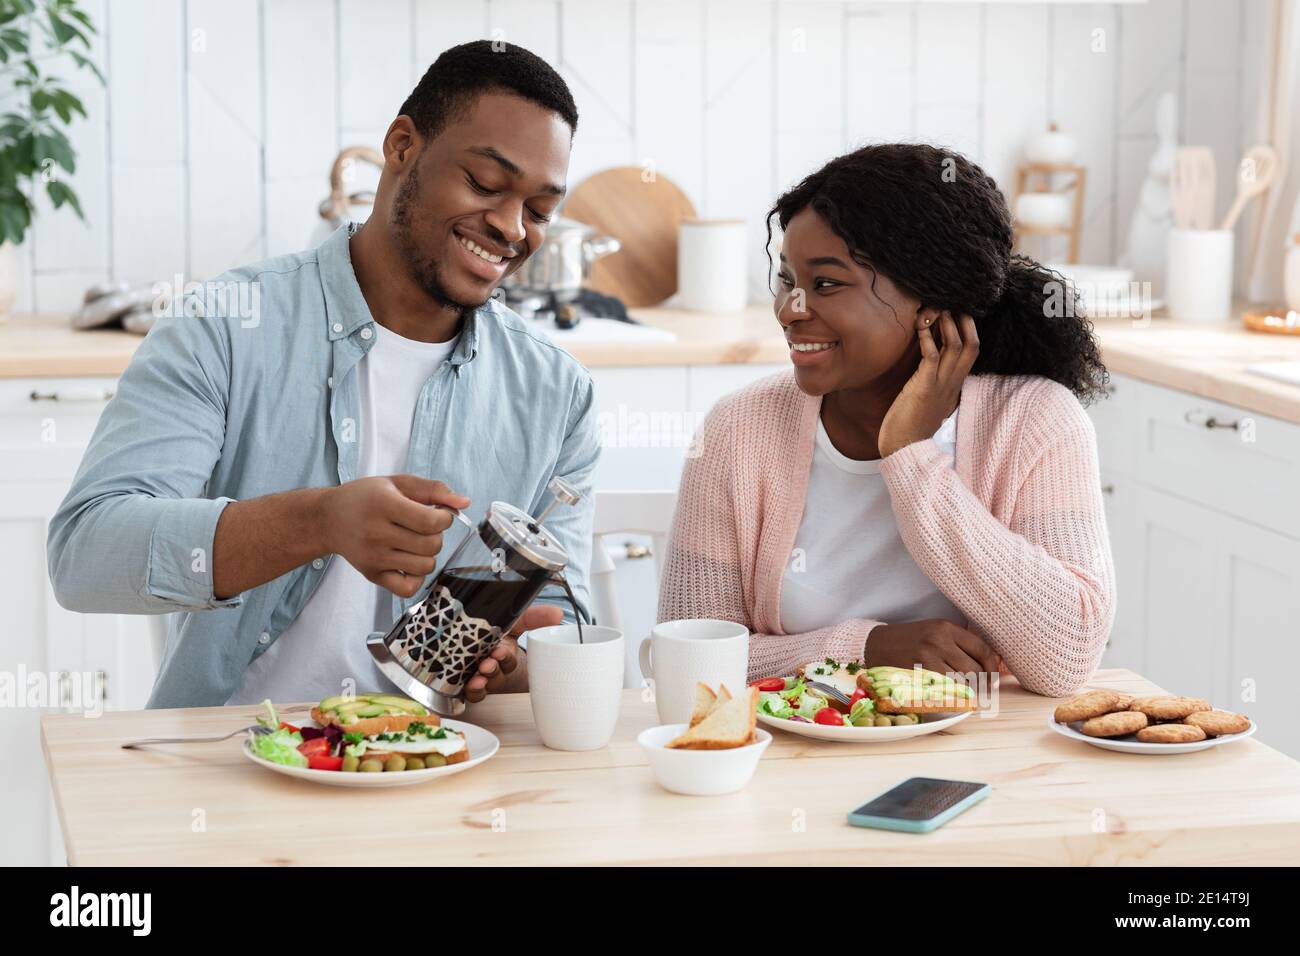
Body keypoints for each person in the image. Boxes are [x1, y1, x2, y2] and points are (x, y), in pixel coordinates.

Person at [47, 41, 599, 708]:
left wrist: (511, 660)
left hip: (440, 771)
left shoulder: (557, 395)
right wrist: (317, 522)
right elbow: (85, 556)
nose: (513, 228)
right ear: (402, 147)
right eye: (484, 185)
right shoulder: (224, 324)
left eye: (539, 211)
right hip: (229, 768)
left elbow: (565, 625)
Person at [658, 144, 1114, 697]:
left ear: (931, 303)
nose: (790, 309)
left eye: (826, 284)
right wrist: (864, 651)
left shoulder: (1035, 422)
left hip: (982, 760)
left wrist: (910, 455)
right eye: (786, 279)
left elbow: (1067, 659)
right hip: (781, 767)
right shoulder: (737, 429)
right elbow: (687, 662)